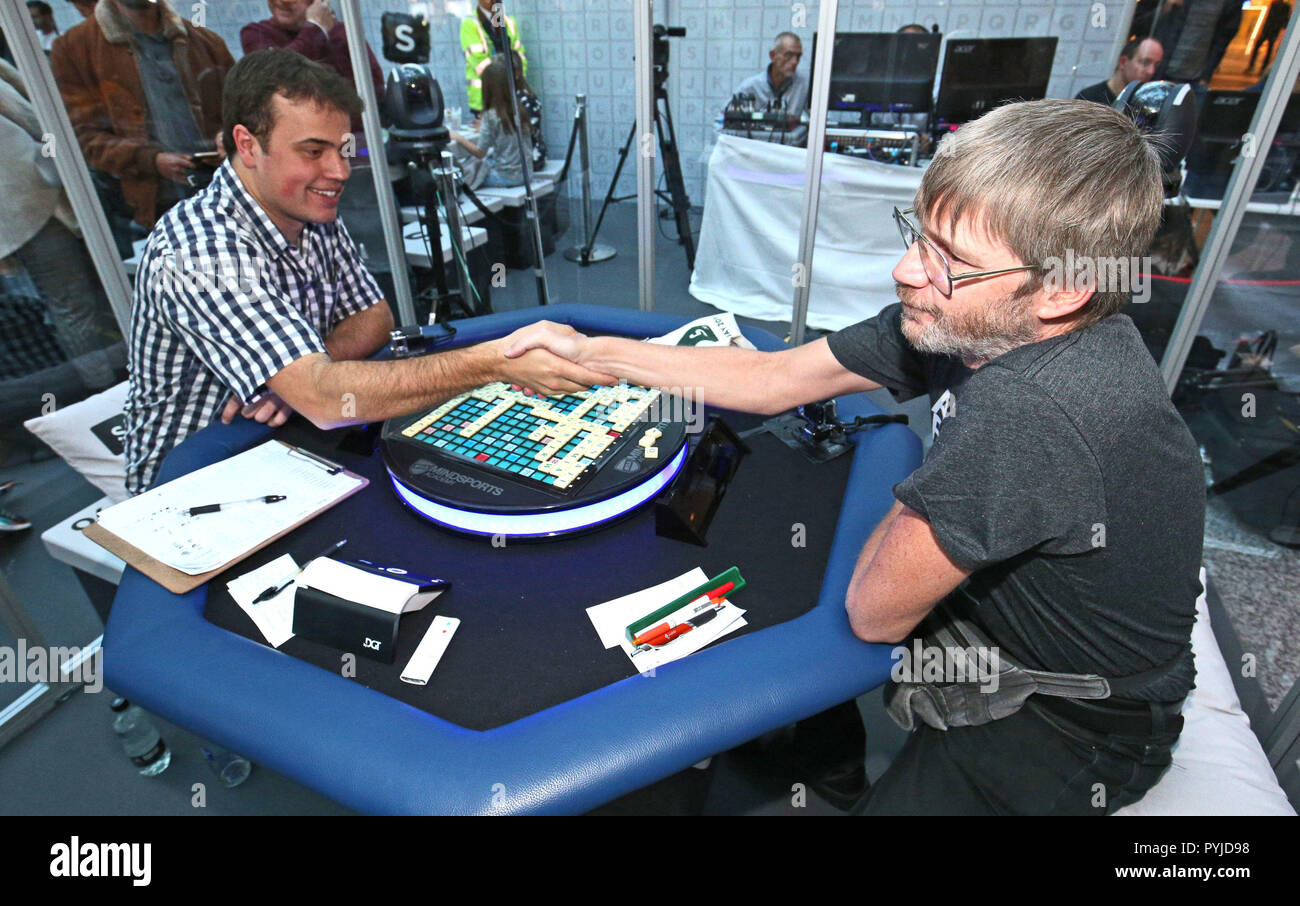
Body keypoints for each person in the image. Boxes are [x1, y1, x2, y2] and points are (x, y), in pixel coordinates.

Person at [505, 98, 1204, 816]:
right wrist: (590, 352)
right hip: (1000, 628)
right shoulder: (975, 313)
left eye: (950, 260)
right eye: (921, 236)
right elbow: (774, 378)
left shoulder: (1036, 409)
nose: (907, 271)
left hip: (1077, 726)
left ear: (1062, 292)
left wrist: (925, 498)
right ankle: (821, 758)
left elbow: (874, 613)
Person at [123, 50, 606, 496]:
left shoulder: (306, 207)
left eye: (341, 148)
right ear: (248, 145)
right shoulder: (197, 251)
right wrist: (493, 362)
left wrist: (299, 376)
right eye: (313, 152)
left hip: (288, 437)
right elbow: (326, 400)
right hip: (187, 481)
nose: (338, 170)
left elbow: (376, 317)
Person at [50, 0, 233, 230]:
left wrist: (227, 139)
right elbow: (82, 137)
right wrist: (151, 160)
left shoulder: (206, 42)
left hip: (225, 191)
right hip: (152, 206)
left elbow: (243, 112)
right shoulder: (73, 49)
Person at [240, 0, 383, 126]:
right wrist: (316, 28)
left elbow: (374, 89)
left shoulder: (343, 33)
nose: (281, 2)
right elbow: (279, 72)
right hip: (293, 136)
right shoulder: (256, 33)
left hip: (346, 134)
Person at [449, 61, 532, 189]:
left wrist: (458, 137)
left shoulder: (491, 115)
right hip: (526, 174)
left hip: (506, 177)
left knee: (464, 176)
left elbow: (480, 152)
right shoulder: (519, 108)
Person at [722, 32, 810, 146]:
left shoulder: (804, 85)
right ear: (773, 56)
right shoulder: (751, 86)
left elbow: (820, 123)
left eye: (798, 56)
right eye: (789, 55)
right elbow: (720, 123)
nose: (795, 62)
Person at [461, 0, 526, 116]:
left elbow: (520, 57)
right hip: (485, 99)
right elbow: (479, 63)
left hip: (512, 97)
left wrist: (518, 82)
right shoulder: (470, 23)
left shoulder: (508, 21)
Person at [1075, 37, 1164, 107]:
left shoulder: (1144, 104)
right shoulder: (1088, 98)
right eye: (1145, 62)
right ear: (1123, 62)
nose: (1151, 71)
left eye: (1156, 65)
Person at [1249, 0, 1291, 72]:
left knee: (1266, 48)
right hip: (1271, 29)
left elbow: (1282, 19)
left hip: (1271, 29)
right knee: (1266, 48)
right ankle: (1257, 66)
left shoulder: (1282, 6)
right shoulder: (1278, 5)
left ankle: (1258, 66)